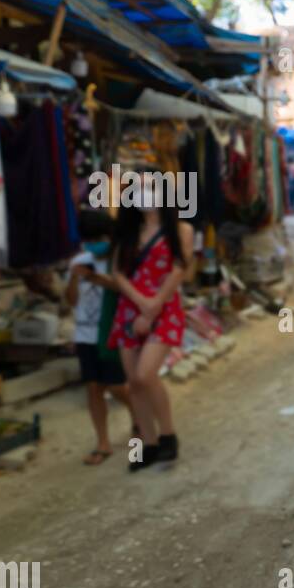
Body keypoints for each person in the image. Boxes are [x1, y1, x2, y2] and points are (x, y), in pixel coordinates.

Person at [109, 174, 195, 472]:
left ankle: (168, 434)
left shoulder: (182, 229)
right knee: (133, 381)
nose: (145, 194)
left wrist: (153, 306)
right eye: (139, 188)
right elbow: (117, 273)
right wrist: (141, 304)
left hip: (165, 308)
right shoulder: (127, 231)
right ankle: (148, 443)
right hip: (129, 309)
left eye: (152, 187)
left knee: (146, 374)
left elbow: (179, 268)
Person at [66, 210, 132, 465]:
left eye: (99, 238)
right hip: (85, 333)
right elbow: (70, 301)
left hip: (112, 331)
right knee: (93, 387)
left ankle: (137, 416)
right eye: (89, 239)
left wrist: (93, 276)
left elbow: (121, 287)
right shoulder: (80, 261)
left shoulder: (120, 259)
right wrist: (74, 277)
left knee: (117, 386)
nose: (94, 244)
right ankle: (102, 442)